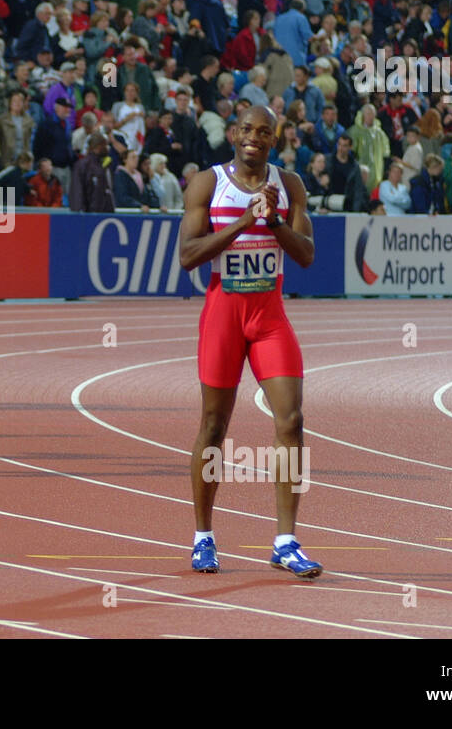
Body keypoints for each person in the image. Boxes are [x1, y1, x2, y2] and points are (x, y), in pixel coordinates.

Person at [178, 104, 321, 578]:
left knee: (292, 419)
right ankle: (203, 537)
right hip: (223, 315)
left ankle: (285, 540)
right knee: (214, 425)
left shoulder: (290, 184)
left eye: (264, 132)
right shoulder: (206, 182)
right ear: (234, 135)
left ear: (273, 140)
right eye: (247, 130)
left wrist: (276, 221)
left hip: (269, 317)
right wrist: (241, 223)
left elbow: (306, 256)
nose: (254, 138)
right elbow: (187, 256)